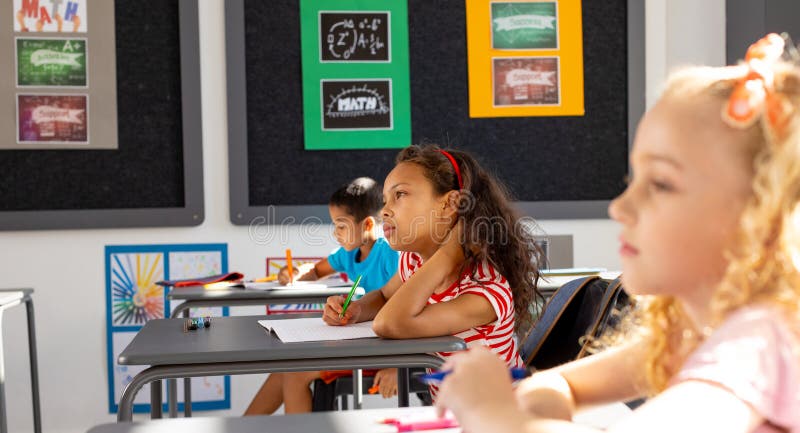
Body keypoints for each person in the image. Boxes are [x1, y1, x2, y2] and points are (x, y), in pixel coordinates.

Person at [433, 34, 800, 432]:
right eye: (633, 178)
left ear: (759, 218)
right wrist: (536, 407)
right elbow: (558, 382)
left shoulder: (757, 348)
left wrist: (492, 413)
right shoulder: (687, 334)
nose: (620, 207)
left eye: (660, 184)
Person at [323, 144, 545, 401]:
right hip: (452, 413)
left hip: (499, 416)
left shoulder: (485, 291)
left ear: (452, 204)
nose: (384, 210)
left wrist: (449, 254)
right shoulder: (413, 261)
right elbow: (385, 296)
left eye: (401, 194)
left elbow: (389, 323)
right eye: (385, 200)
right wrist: (357, 309)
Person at [244, 177, 399, 414]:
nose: (336, 233)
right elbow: (316, 270)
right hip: (364, 343)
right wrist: (295, 273)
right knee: (284, 369)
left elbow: (407, 310)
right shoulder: (351, 253)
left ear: (367, 225)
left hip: (386, 351)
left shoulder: (390, 253)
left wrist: (398, 366)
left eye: (341, 225)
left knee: (295, 374)